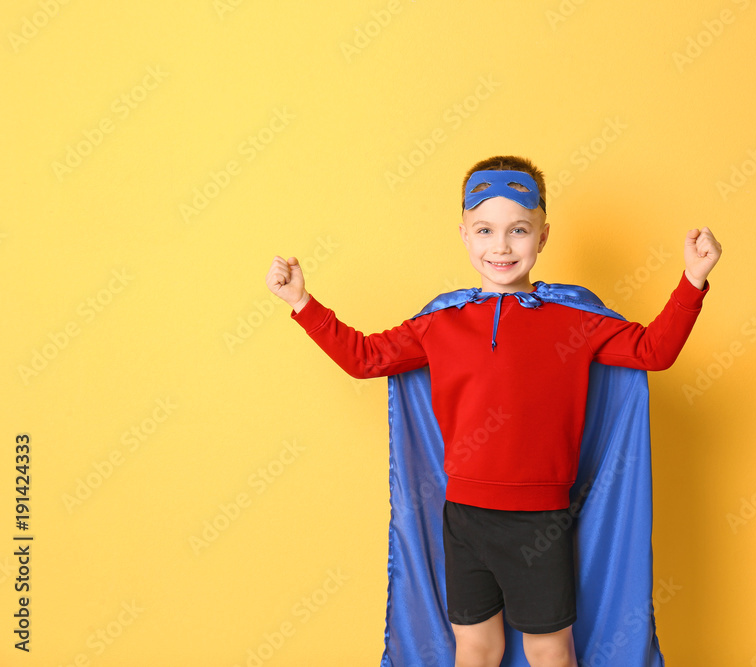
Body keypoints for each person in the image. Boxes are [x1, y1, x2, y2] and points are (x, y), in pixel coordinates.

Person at [265, 155, 721, 667]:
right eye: (484, 229)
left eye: (518, 230)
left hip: (541, 522)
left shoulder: (576, 320)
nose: (500, 246)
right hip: (465, 521)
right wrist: (303, 304)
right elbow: (365, 358)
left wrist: (693, 281)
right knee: (477, 649)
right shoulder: (441, 324)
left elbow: (651, 352)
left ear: (543, 236)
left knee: (551, 650)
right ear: (463, 233)